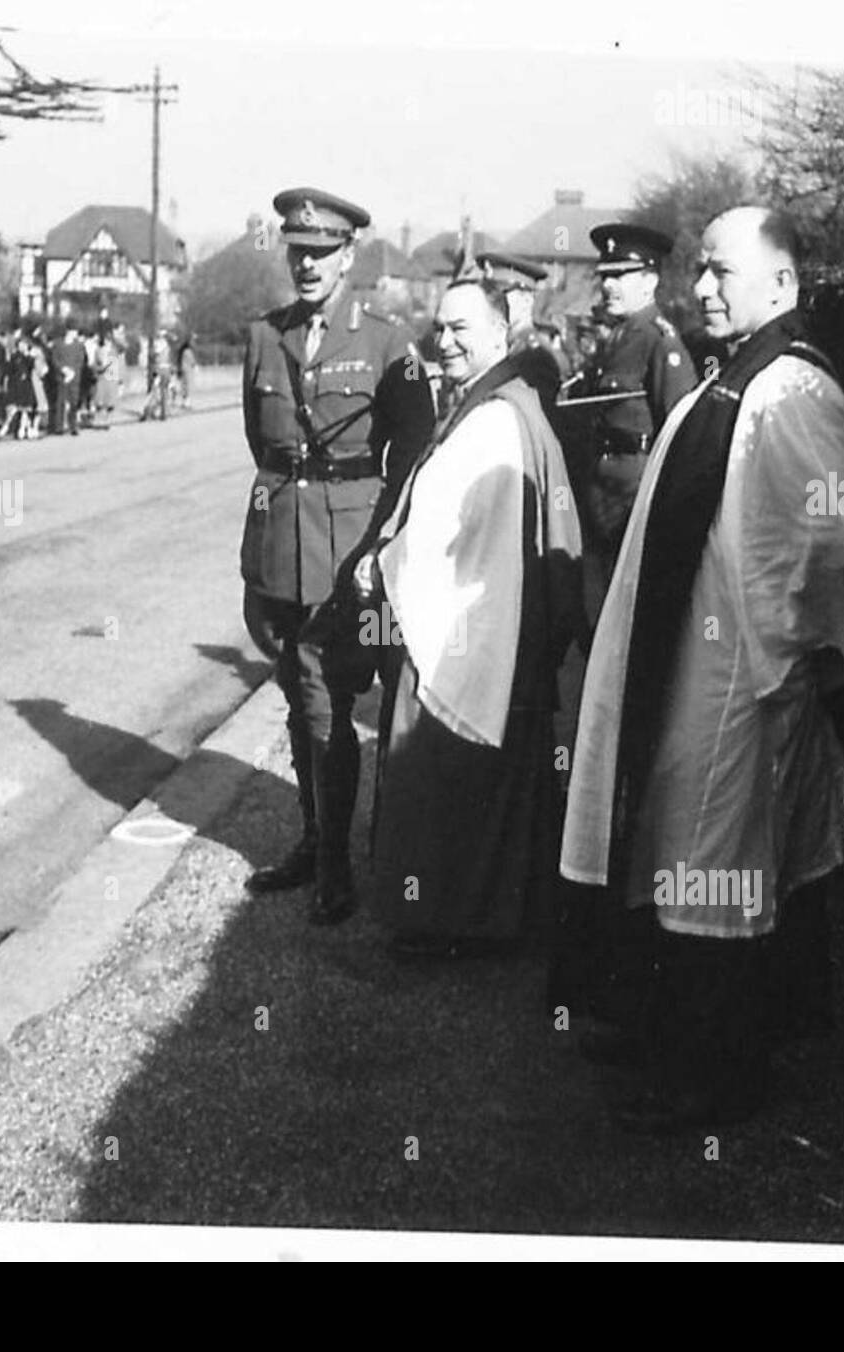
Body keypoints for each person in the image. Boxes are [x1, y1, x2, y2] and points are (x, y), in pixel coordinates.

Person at [559, 206, 844, 1126]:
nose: (703, 287)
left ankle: (709, 1080)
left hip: (744, 678)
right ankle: (668, 1038)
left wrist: (795, 647)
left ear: (783, 285)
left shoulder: (792, 390)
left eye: (723, 271)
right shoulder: (736, 377)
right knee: (676, 850)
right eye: (702, 272)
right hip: (697, 664)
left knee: (713, 865)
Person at [353, 276, 584, 956]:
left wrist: (384, 560)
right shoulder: (502, 400)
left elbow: (446, 527)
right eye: (439, 330)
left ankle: (452, 923)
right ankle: (481, 916)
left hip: (468, 628)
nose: (444, 342)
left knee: (441, 776)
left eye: (460, 330)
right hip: (484, 616)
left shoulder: (496, 417)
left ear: (497, 332)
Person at [239, 186, 435, 925]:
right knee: (297, 694)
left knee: (326, 700)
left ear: (350, 257)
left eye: (322, 253)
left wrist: (380, 537)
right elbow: (264, 448)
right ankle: (314, 838)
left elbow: (414, 450)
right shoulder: (265, 336)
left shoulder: (387, 343)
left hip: (347, 545)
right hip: (281, 541)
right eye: (298, 252)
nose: (308, 264)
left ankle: (334, 868)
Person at [570, 223, 697, 604]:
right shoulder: (617, 339)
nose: (608, 286)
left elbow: (681, 436)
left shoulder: (661, 342)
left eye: (620, 276)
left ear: (649, 281)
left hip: (635, 498)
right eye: (605, 276)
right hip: (601, 496)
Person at [476, 251, 564, 417]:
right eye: (488, 295)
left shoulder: (535, 355)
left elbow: (539, 416)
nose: (490, 303)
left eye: (500, 296)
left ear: (526, 300)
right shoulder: (505, 344)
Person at [51, 319, 86, 436]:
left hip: (74, 378)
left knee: (74, 402)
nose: (74, 333)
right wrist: (63, 369)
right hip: (62, 377)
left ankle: (73, 426)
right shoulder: (58, 344)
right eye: (72, 331)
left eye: (75, 331)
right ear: (68, 331)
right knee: (60, 402)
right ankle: (59, 426)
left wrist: (72, 372)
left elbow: (80, 361)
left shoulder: (79, 346)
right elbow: (55, 359)